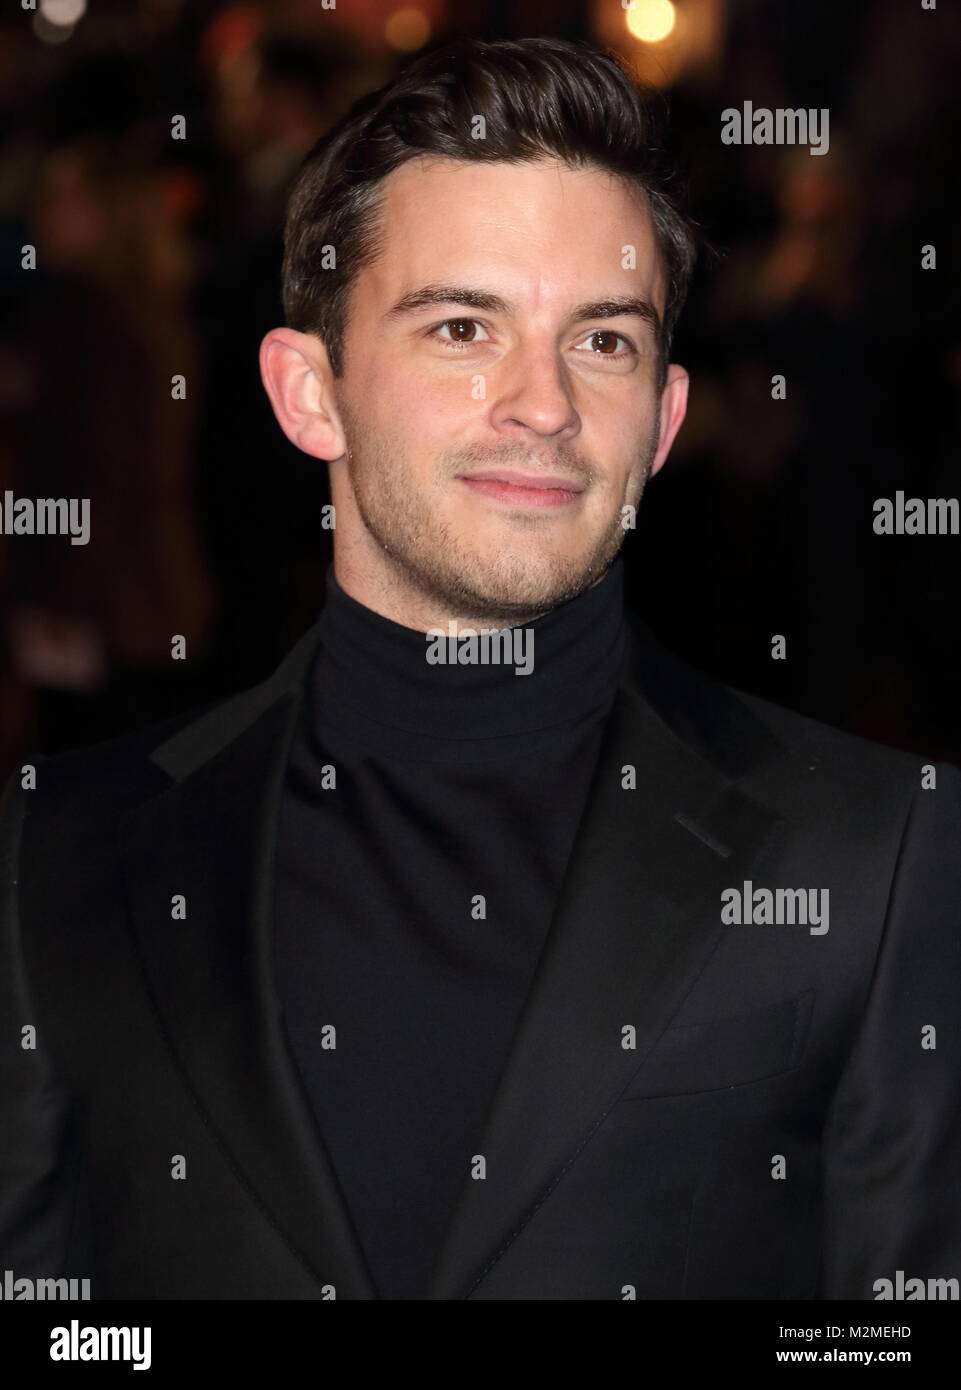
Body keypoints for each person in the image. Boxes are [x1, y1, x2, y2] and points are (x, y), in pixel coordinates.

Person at [2, 36, 959, 1302]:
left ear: (663, 422)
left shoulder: (871, 855)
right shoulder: (61, 854)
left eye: (602, 342)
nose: (543, 404)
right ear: (309, 393)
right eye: (462, 326)